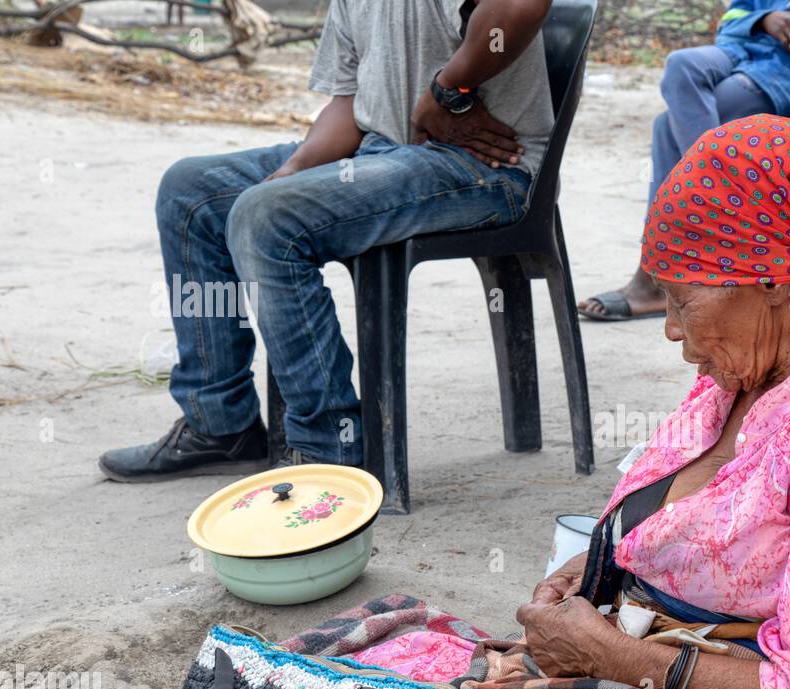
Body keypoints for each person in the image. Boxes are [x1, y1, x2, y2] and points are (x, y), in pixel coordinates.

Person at [106, 116, 790, 689]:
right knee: (390, 652)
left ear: (778, 280)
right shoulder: (747, 374)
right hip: (676, 666)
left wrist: (614, 659)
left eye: (681, 298)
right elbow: (674, 528)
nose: (669, 331)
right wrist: (588, 579)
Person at [98, 0, 554, 482]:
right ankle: (221, 427)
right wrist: (291, 172)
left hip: (484, 167)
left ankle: (328, 448)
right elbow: (350, 106)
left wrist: (448, 90)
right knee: (191, 192)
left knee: (266, 218)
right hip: (378, 152)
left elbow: (522, 6)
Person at [577, 0, 790, 321]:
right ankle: (715, 218)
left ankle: (656, 271)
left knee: (667, 126)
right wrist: (765, 20)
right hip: (742, 58)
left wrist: (788, 36)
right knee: (680, 64)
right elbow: (730, 23)